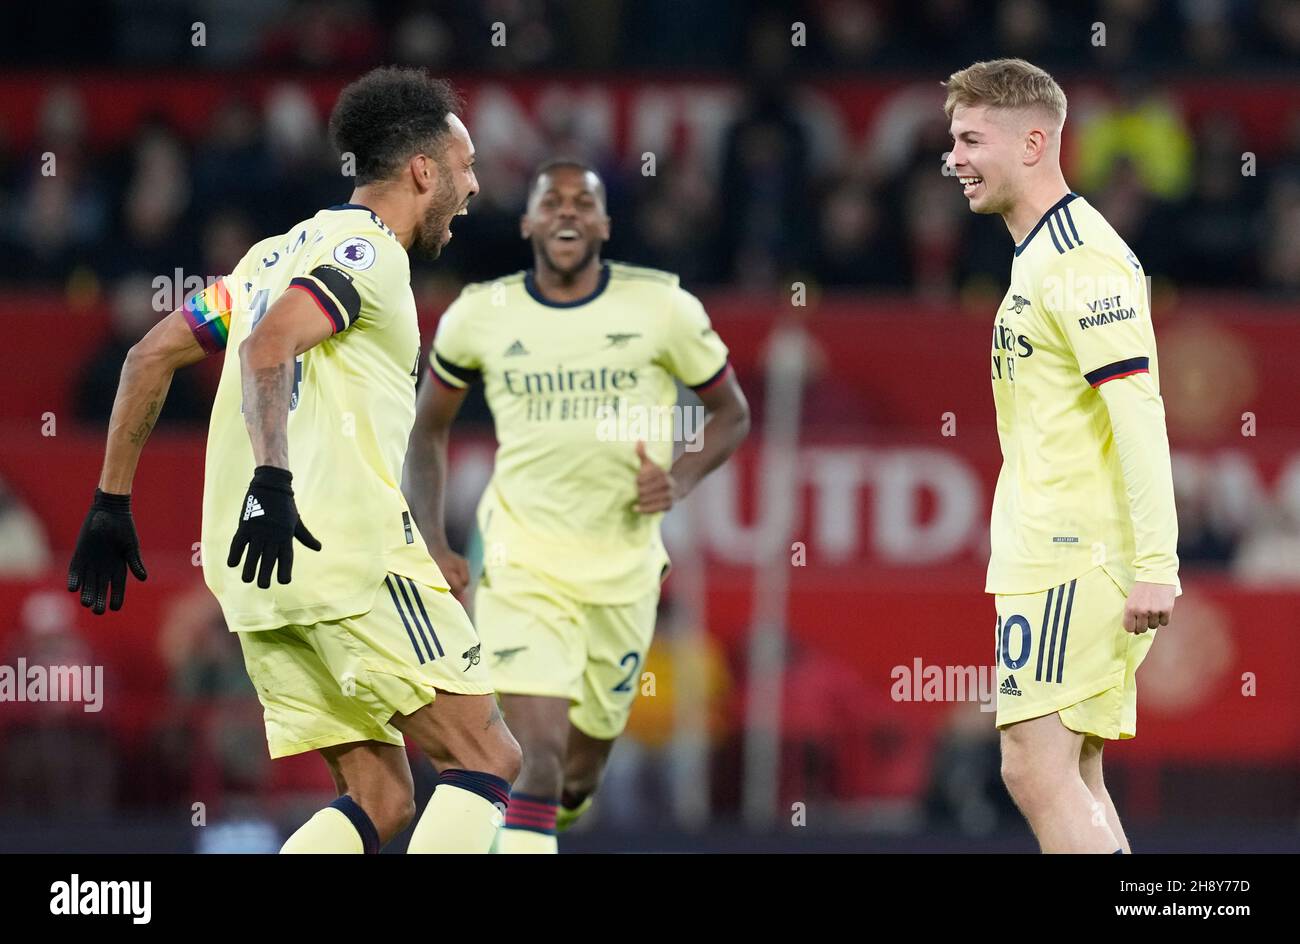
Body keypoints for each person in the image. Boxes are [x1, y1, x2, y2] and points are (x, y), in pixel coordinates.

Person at [66, 67, 520, 854]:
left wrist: (111, 502)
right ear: (424, 170)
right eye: (467, 165)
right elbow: (273, 345)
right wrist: (273, 482)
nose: (475, 186)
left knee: (380, 799)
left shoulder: (264, 260)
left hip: (261, 576)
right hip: (342, 551)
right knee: (487, 757)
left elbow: (147, 356)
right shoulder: (369, 253)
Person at [405, 159, 750, 852]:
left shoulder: (664, 309)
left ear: (604, 224)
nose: (567, 212)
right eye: (551, 202)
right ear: (529, 221)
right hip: (521, 562)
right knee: (535, 754)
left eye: (582, 203)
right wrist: (434, 541)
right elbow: (428, 428)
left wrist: (679, 481)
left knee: (574, 781)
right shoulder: (482, 313)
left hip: (621, 574)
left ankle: (528, 827)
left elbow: (731, 414)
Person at [944, 58, 1180, 853]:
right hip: (1061, 549)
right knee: (1073, 770)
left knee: (1033, 766)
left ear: (1034, 142)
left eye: (972, 139)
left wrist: (1159, 562)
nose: (955, 159)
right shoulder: (1040, 254)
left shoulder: (1079, 259)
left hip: (1075, 553)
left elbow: (1137, 410)